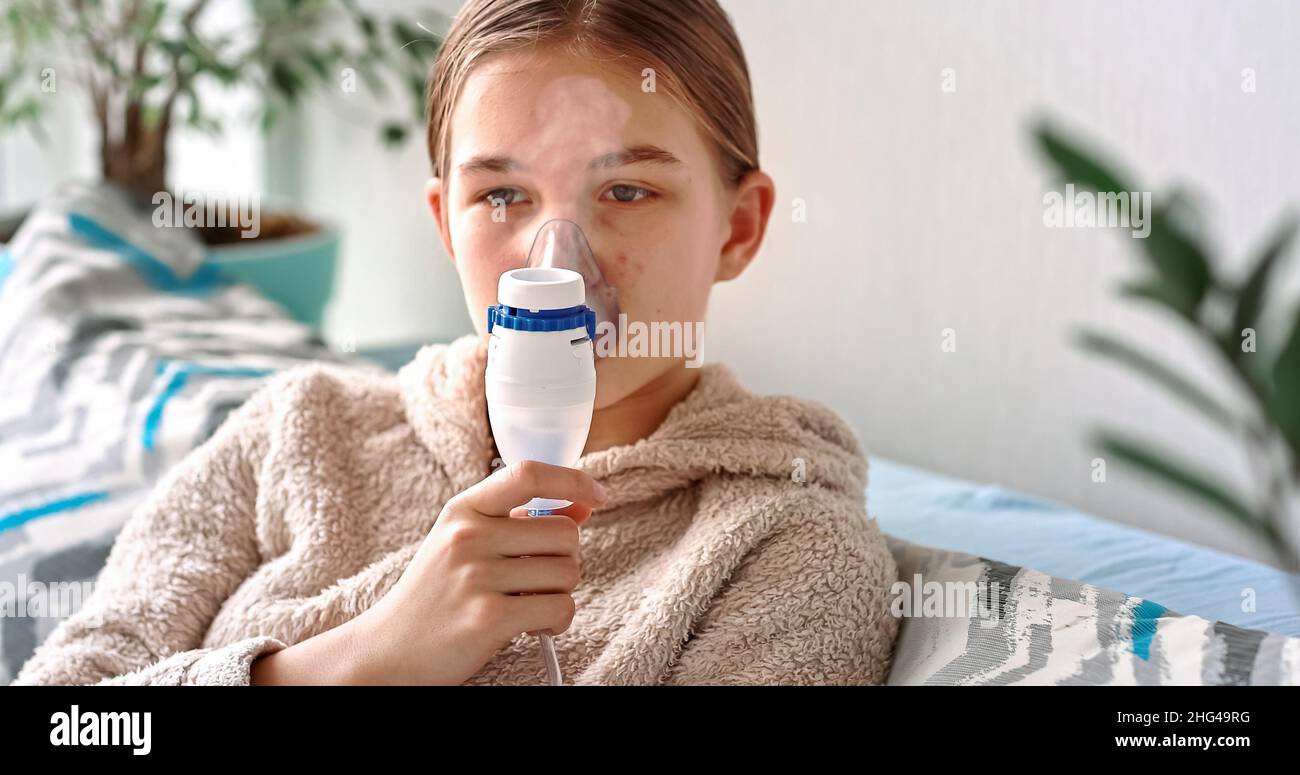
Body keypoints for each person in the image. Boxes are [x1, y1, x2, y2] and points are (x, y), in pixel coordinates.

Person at [13, 0, 899, 686]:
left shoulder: (790, 549)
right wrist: (358, 661)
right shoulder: (299, 432)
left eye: (627, 191)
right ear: (445, 221)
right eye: (503, 197)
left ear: (738, 228)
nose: (559, 259)